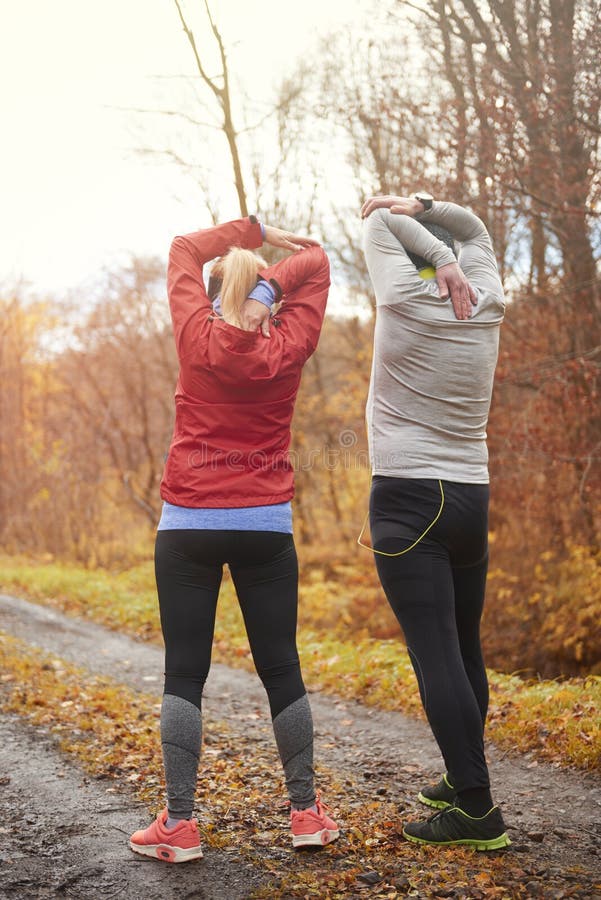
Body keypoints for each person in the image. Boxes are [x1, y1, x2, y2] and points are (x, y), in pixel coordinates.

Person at [129, 215, 339, 863]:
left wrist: (250, 230)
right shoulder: (289, 343)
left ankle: (180, 826)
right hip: (264, 525)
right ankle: (305, 814)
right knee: (281, 668)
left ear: (215, 289)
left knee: (184, 674)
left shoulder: (197, 335)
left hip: (188, 523)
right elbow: (321, 262)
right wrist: (270, 286)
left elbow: (183, 248)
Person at [360, 192, 510, 851]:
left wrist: (424, 247)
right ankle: (460, 775)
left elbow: (373, 218)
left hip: (406, 499)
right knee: (463, 646)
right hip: (469, 496)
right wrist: (423, 206)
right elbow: (473, 224)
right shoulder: (486, 297)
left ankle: (474, 810)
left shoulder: (400, 295)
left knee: (435, 653)